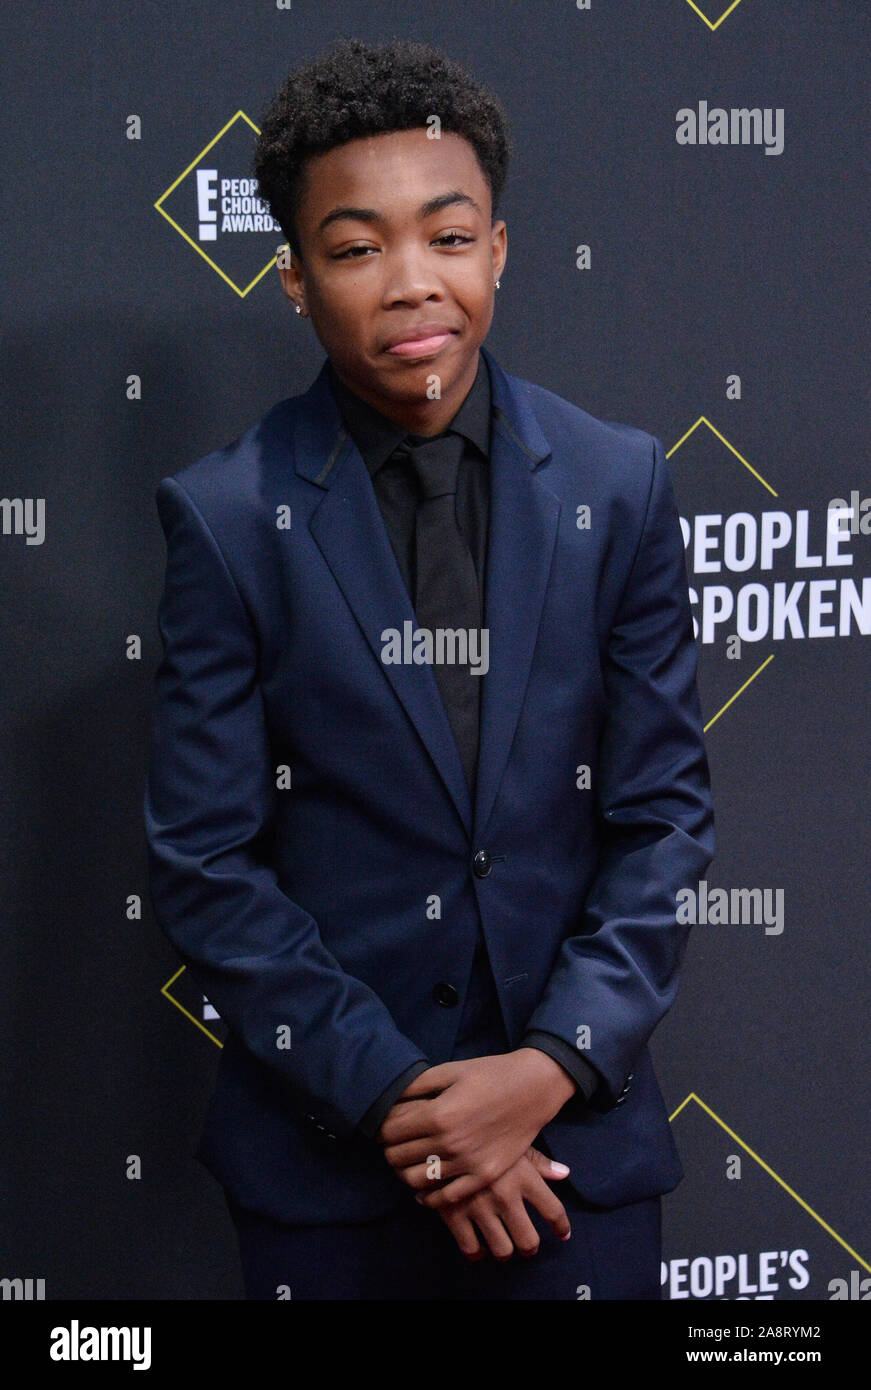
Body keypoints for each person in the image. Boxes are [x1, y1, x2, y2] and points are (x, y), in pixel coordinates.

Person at [144, 36, 714, 1301]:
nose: (412, 283)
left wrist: (548, 1067)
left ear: (499, 252)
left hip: (577, 1156)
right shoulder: (230, 517)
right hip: (330, 1171)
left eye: (448, 239)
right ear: (293, 278)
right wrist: (411, 1103)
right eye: (356, 249)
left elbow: (664, 816)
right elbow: (204, 864)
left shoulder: (617, 484)